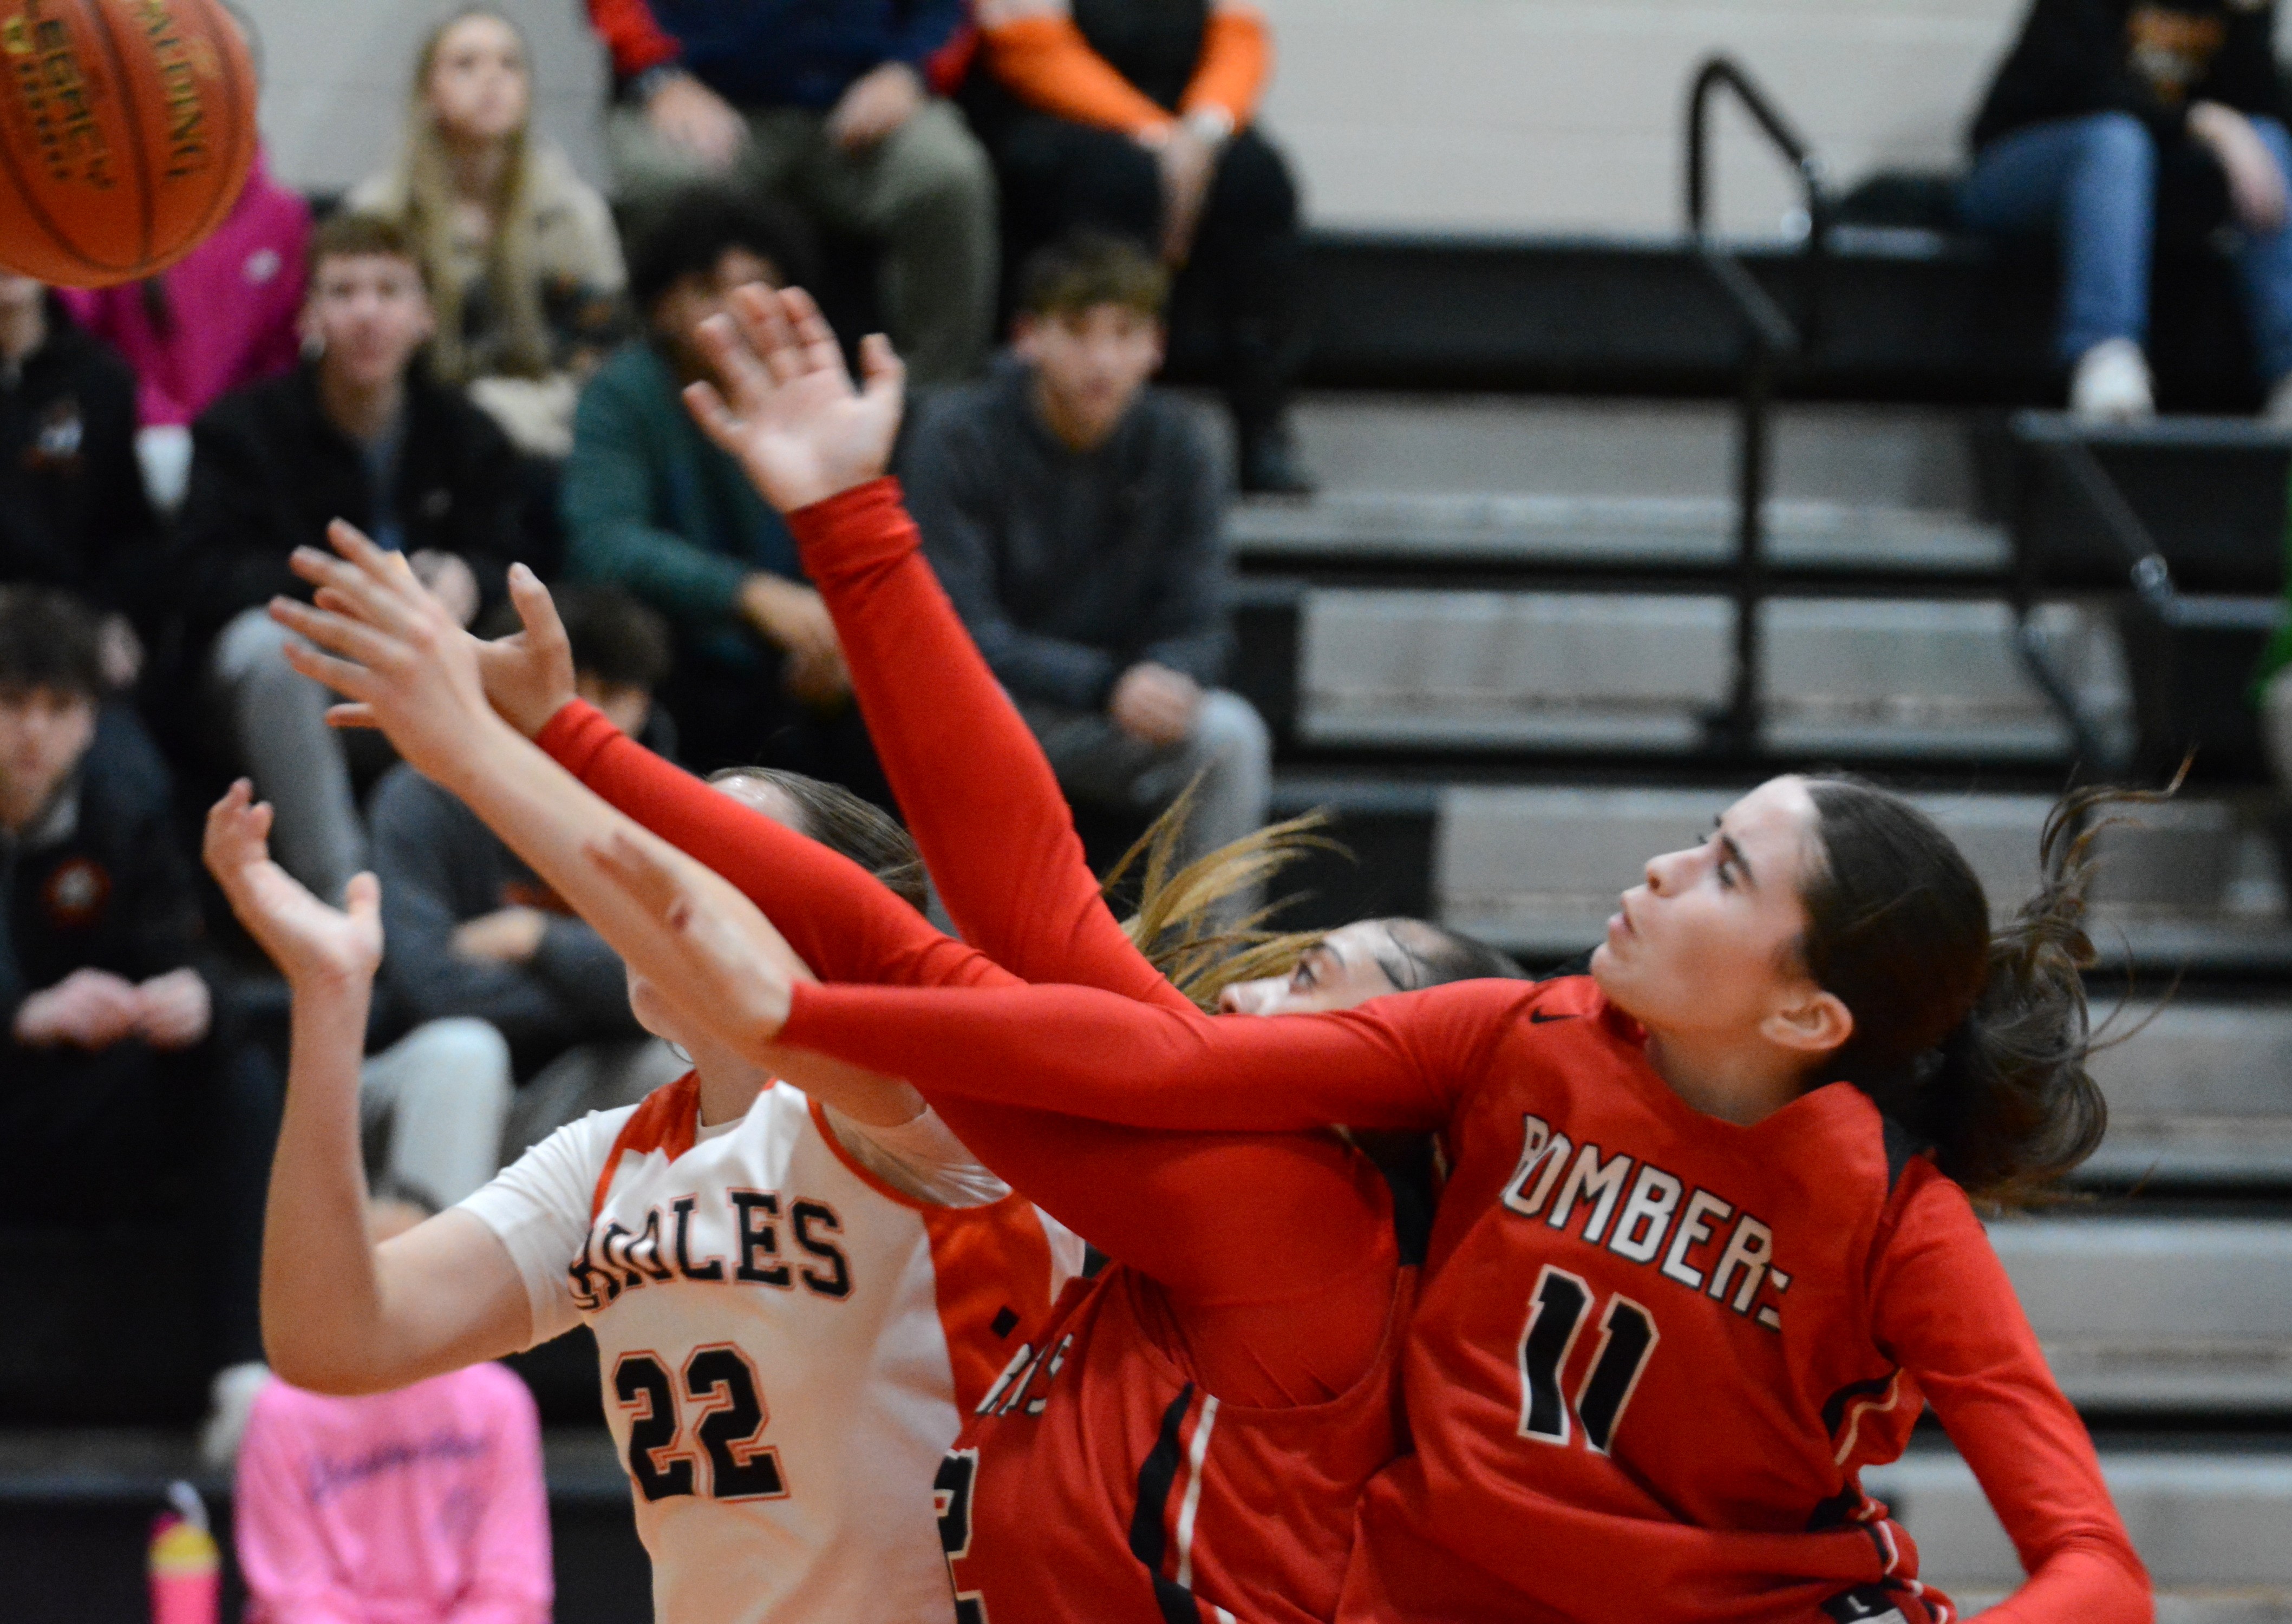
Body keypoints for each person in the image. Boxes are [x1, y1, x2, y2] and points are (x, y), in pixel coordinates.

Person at [488, 290, 2149, 1622]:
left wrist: (683, 856)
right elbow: (1087, 993)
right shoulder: (1516, 1048)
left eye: (1725, 869)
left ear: (1809, 1008)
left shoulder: (1874, 1218)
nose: (1663, 861)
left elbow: (2095, 1568)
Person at [204, 740, 1082, 1623]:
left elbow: (789, 1021)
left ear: (845, 924)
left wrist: (476, 739)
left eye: (716, 863)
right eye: (664, 850)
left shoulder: (915, 1112)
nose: (663, 888)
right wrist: (329, 999)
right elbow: (334, 1341)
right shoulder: (603, 1163)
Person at [902, 232, 1271, 896]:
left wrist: (1167, 679)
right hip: (1000, 699)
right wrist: (1106, 684)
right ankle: (957, 959)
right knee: (968, 715)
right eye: (1076, 331)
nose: (1101, 359)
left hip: (1110, 714)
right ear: (1028, 338)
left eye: (1124, 333)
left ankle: (1203, 961)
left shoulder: (1184, 444)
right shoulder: (955, 434)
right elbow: (957, 633)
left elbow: (1202, 623)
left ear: (1156, 346)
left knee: (1230, 736)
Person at [0, 587, 278, 1463]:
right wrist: (22, 1014)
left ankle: (245, 1379)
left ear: (90, 721)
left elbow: (186, 951)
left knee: (234, 1071)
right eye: (11, 705)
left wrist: (192, 997)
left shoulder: (126, 810)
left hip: (69, 1111)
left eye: (57, 708)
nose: (32, 732)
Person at [178, 211, 526, 903]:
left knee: (529, 644)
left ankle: (513, 901)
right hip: (303, 677)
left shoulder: (470, 432)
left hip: (426, 668)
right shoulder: (240, 429)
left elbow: (525, 557)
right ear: (309, 315)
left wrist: (470, 577)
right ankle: (351, 908)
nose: (367, 313)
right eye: (343, 292)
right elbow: (201, 576)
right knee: (265, 650)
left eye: (389, 291)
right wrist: (349, 592)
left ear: (426, 316)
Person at [369, 585, 685, 1174]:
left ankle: (663, 1240)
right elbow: (429, 990)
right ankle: (437, 1238)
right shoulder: (421, 796)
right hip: (429, 1084)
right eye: (575, 694)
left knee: (680, 1060)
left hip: (568, 1084)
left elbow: (685, 986)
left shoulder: (655, 807)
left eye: (620, 697)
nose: (599, 719)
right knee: (466, 1053)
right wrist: (602, 986)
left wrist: (536, 940)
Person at [564, 188, 872, 786]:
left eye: (758, 288)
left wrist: (834, 641)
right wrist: (749, 594)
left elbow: (860, 537)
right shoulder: (624, 393)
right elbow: (603, 544)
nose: (736, 309)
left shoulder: (820, 393)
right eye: (708, 289)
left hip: (805, 667)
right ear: (661, 307)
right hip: (677, 660)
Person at [973, 0, 1312, 490]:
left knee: (1258, 183)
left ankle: (1262, 424)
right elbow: (1028, 46)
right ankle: (1090, 426)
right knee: (1118, 183)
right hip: (1063, 112)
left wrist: (1203, 130)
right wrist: (1155, 136)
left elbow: (1240, 38)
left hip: (1189, 117)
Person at [587, 0, 995, 384]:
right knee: (661, 181)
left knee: (946, 174)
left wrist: (909, 72)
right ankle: (660, 400)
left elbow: (950, 9)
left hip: (863, 99)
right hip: (704, 93)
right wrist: (659, 77)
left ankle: (933, 395)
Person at [1961, 0, 2292, 421]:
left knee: (2266, 138)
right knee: (2114, 139)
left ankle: (2286, 371)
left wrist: (2247, 30)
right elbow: (2092, 91)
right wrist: (2203, 120)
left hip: (2139, 182)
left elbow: (2263, 107)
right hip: (2018, 171)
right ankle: (2104, 354)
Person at [233, 1195, 553, 1624]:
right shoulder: (283, 1409)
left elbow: (512, 1588)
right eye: (370, 1276)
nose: (389, 1298)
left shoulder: (497, 1401)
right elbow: (294, 1596)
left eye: (412, 1274)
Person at [350, 8, 627, 459]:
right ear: (428, 93)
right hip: (418, 446)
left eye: (509, 64)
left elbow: (604, 358)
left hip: (552, 441)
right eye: (466, 64)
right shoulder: (381, 214)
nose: (492, 79)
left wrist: (510, 421)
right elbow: (358, 358)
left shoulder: (575, 214)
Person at [56, 147, 311, 511]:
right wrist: (155, 419)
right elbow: (78, 331)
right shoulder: (111, 206)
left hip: (247, 444)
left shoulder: (283, 216)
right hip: (131, 442)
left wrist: (229, 428)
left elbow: (285, 353)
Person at [0, 274, 165, 686]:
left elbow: (130, 532)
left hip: (74, 633)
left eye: (17, 243)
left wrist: (112, 618)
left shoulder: (100, 379)